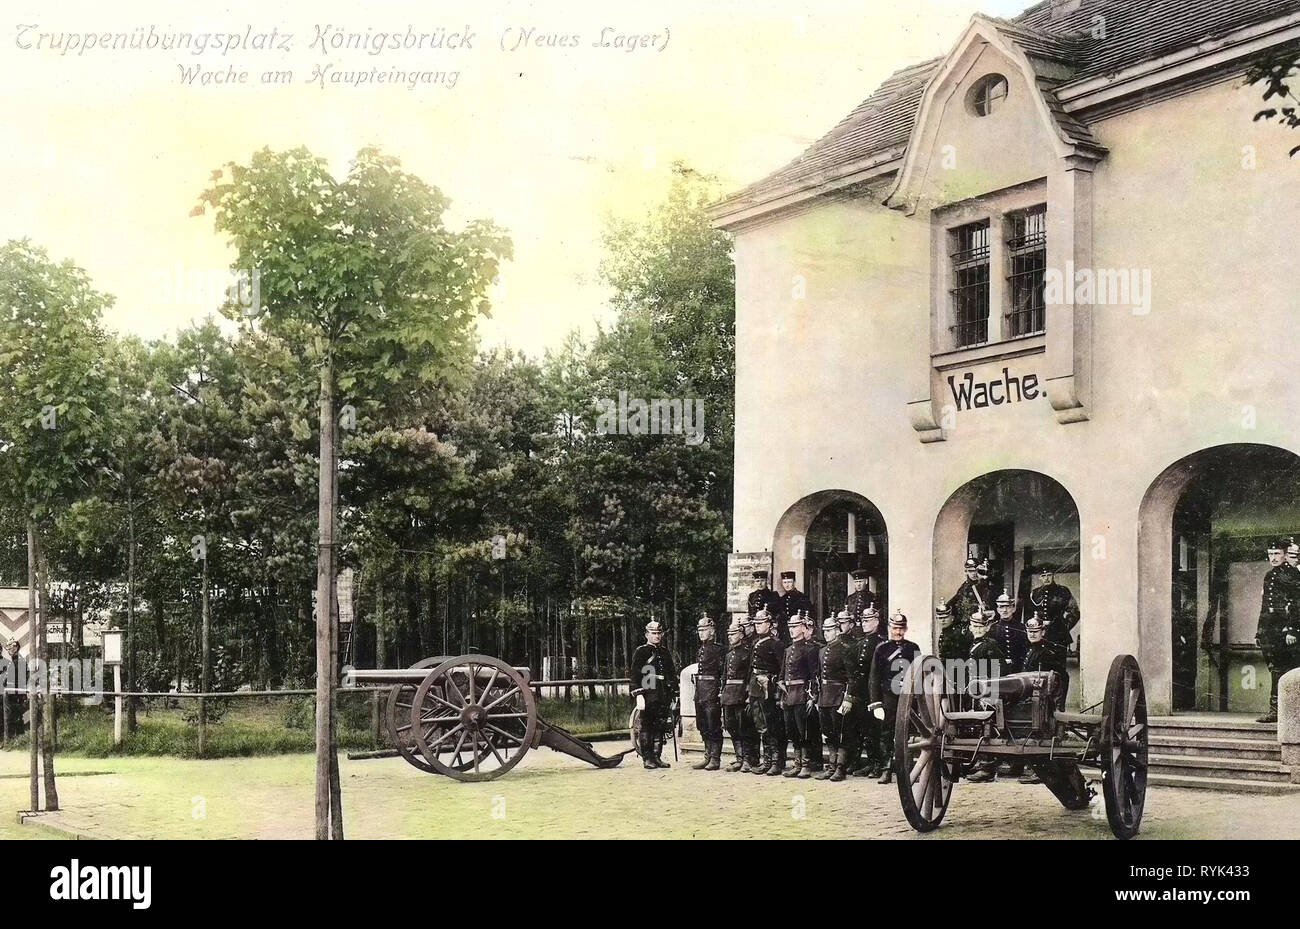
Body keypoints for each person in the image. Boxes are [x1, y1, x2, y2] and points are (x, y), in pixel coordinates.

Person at [867, 611, 920, 785]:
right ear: (890, 628)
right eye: (895, 628)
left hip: (908, 697)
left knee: (909, 734)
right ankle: (886, 769)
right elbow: (874, 677)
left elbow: (919, 675)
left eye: (901, 628)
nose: (898, 632)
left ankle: (908, 768)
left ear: (906, 629)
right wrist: (876, 703)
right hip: (889, 697)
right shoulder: (882, 649)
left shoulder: (913, 648)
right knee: (886, 734)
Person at [1257, 539, 1299, 723]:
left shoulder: (1292, 575)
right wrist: (1260, 631)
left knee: (1283, 668)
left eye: (1276, 554)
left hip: (1285, 629)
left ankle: (1279, 710)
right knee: (1274, 667)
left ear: (1284, 554)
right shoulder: (1269, 575)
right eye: (1270, 554)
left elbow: (1297, 603)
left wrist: (1292, 629)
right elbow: (1265, 606)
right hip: (1270, 628)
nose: (1272, 558)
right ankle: (1276, 710)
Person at [844, 605, 887, 778]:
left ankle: (879, 765)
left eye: (868, 620)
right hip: (862, 692)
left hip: (876, 692)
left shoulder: (882, 643)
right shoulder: (860, 644)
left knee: (877, 729)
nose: (864, 624)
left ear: (876, 622)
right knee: (865, 729)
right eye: (862, 620)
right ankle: (871, 762)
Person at [630, 620, 678, 770]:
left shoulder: (665, 652)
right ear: (646, 635)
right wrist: (638, 694)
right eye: (653, 633)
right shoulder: (641, 651)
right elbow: (636, 674)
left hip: (663, 692)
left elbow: (671, 672)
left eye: (659, 633)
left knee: (661, 725)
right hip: (649, 691)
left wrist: (674, 692)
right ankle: (647, 758)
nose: (657, 636)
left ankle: (657, 756)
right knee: (647, 725)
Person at [965, 609, 1006, 783]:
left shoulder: (991, 645)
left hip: (987, 691)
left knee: (987, 727)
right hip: (976, 690)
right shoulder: (974, 644)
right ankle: (981, 761)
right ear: (970, 627)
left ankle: (988, 767)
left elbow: (998, 669)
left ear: (987, 628)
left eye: (981, 626)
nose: (978, 629)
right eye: (975, 626)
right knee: (978, 726)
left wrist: (990, 691)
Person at [780, 612, 820, 778]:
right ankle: (797, 763)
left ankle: (806, 764)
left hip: (802, 693)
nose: (792, 630)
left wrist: (813, 696)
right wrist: (781, 694)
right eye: (790, 626)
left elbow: (814, 675)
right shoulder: (788, 650)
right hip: (789, 694)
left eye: (795, 626)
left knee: (804, 730)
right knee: (792, 729)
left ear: (804, 628)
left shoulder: (810, 649)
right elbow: (783, 675)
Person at [748, 609, 787, 774]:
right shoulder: (755, 642)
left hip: (769, 687)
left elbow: (782, 669)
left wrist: (773, 683)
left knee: (772, 724)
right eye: (756, 623)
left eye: (762, 623)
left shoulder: (776, 643)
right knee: (761, 724)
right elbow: (752, 667)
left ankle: (777, 762)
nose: (758, 626)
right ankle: (767, 760)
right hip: (756, 685)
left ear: (770, 625)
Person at [721, 617, 759, 772]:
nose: (730, 636)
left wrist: (748, 693)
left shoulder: (747, 653)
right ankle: (739, 758)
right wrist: (722, 692)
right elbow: (724, 676)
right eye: (729, 634)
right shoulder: (729, 655)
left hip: (741, 694)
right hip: (728, 695)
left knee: (745, 727)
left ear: (741, 635)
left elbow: (750, 675)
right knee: (731, 726)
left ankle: (749, 759)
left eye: (734, 633)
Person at [814, 614, 849, 780]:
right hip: (824, 696)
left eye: (829, 630)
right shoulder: (821, 651)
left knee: (840, 731)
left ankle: (840, 767)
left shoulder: (845, 649)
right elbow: (818, 675)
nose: (826, 633)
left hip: (838, 694)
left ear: (837, 630)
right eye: (825, 630)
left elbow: (851, 677)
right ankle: (831, 765)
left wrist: (848, 698)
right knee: (827, 731)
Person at [691, 613, 725, 771]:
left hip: (712, 690)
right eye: (699, 630)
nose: (701, 633)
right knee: (702, 724)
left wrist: (719, 690)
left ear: (712, 631)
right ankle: (707, 756)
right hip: (700, 691)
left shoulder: (719, 650)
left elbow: (722, 672)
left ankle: (715, 759)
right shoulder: (700, 649)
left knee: (713, 724)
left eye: (704, 630)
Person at [1028, 565, 1080, 650]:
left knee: (1058, 661)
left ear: (1053, 576)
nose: (1046, 578)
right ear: (1040, 578)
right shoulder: (1035, 593)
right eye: (1043, 576)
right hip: (1040, 634)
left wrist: (1064, 627)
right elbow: (1029, 615)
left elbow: (1075, 612)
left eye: (1049, 575)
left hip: (1059, 635)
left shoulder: (1063, 591)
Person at [989, 589, 1028, 674]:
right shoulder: (993, 628)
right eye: (1001, 607)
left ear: (1013, 608)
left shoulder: (1021, 628)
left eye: (1008, 606)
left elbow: (1025, 650)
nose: (1005, 610)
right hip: (999, 670)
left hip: (1018, 669)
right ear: (997, 609)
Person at [775, 571, 812, 647]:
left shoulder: (802, 597)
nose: (787, 585)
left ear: (794, 582)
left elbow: (807, 616)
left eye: (789, 582)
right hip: (784, 633)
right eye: (784, 582)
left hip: (798, 632)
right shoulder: (781, 599)